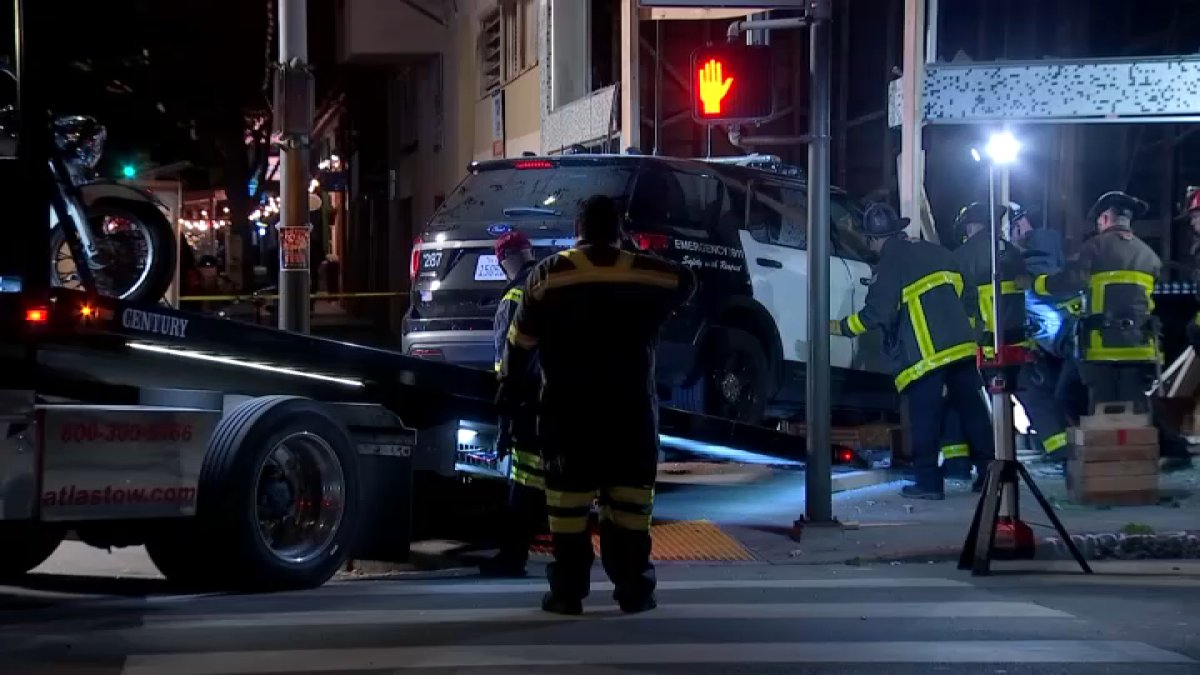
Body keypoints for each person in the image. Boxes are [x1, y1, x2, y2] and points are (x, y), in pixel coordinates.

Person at [497, 194, 696, 615]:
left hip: (569, 416)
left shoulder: (550, 274)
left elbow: (520, 345)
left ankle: (568, 592)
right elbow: (687, 283)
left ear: (579, 230)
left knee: (567, 513)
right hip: (630, 417)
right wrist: (634, 257)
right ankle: (634, 589)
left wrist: (511, 392)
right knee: (629, 510)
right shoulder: (643, 272)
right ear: (618, 229)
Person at [831, 202, 994, 500]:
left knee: (925, 419)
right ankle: (989, 476)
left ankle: (928, 483)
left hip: (926, 355)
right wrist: (966, 328)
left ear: (874, 239)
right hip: (962, 347)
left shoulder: (891, 263)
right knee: (973, 412)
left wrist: (840, 328)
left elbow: (876, 313)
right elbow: (970, 294)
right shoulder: (938, 252)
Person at [1024, 191, 1162, 415]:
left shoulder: (1094, 249)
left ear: (1106, 218)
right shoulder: (1150, 256)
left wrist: (1036, 284)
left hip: (1101, 348)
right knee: (1135, 411)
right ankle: (1137, 448)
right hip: (1139, 347)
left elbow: (1067, 282)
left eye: (1099, 220)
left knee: (1099, 410)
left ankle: (1102, 449)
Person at [479, 231, 545, 578]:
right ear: (529, 251)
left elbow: (507, 364)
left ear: (503, 261)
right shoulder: (551, 283)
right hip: (562, 401)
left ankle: (512, 557)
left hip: (528, 406)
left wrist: (505, 420)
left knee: (523, 485)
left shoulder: (513, 298)